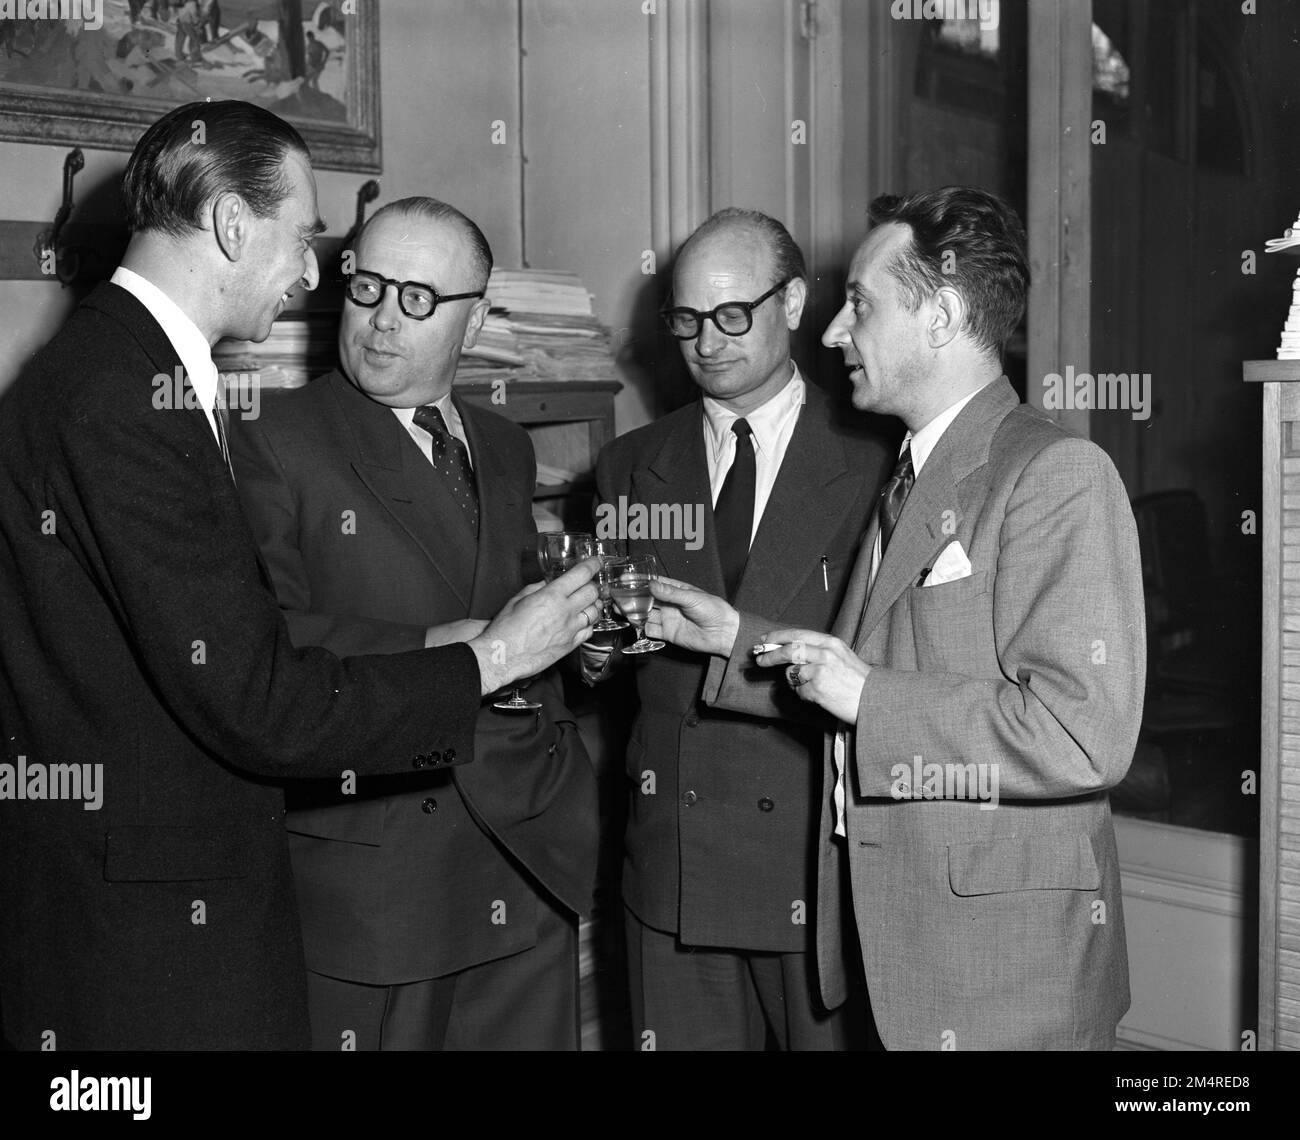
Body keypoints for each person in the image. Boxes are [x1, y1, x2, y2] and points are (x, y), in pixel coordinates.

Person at [0, 101, 599, 1051]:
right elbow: (259, 694)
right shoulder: (121, 400)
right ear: (234, 226)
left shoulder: (116, 375)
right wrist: (486, 659)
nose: (316, 274)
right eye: (310, 241)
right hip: (160, 924)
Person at [648, 186, 1146, 1049]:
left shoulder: (1057, 473)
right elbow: (862, 679)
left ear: (944, 315)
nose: (835, 331)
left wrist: (867, 693)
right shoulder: (915, 471)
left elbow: (1082, 734)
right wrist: (735, 638)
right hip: (909, 949)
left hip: (1003, 976)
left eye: (862, 306)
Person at [229, 197, 599, 1051]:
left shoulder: (503, 443)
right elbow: (270, 650)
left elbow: (526, 628)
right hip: (386, 886)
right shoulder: (272, 437)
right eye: (369, 288)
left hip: (530, 860)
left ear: (475, 324)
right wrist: (480, 650)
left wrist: (585, 637)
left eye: (420, 300)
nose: (384, 322)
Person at [588, 208, 891, 1050]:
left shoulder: (878, 455)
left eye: (733, 315)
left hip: (812, 871)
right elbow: (607, 678)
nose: (707, 342)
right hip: (671, 875)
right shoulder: (628, 465)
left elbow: (892, 673)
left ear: (793, 302)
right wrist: (589, 647)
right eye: (686, 320)